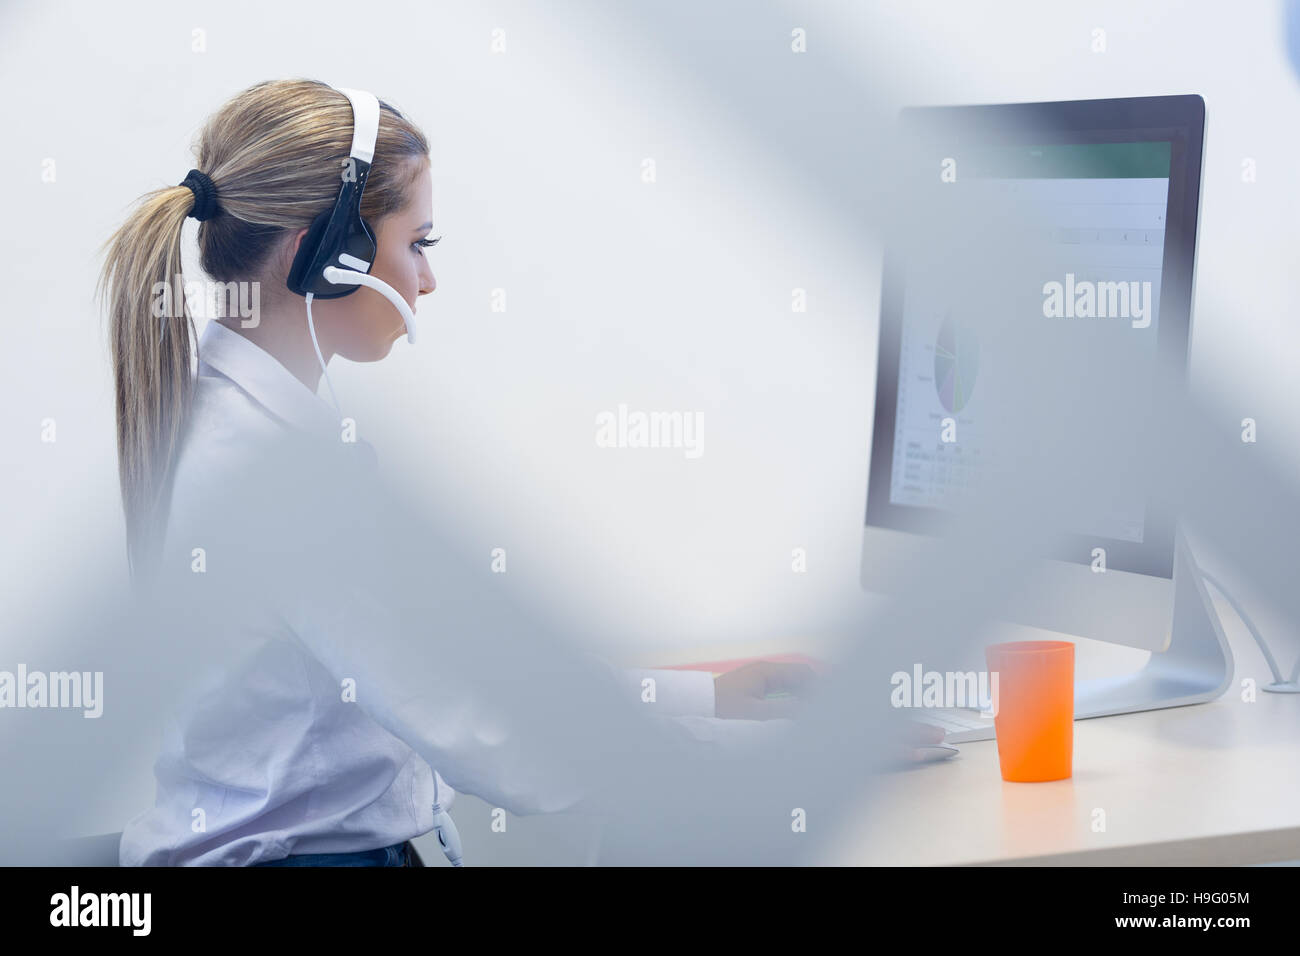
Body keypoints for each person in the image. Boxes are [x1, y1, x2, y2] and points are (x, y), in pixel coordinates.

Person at [99, 78, 816, 867]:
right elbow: (486, 729)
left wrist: (707, 698)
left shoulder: (253, 419)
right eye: (419, 245)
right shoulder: (268, 470)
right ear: (329, 260)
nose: (428, 281)